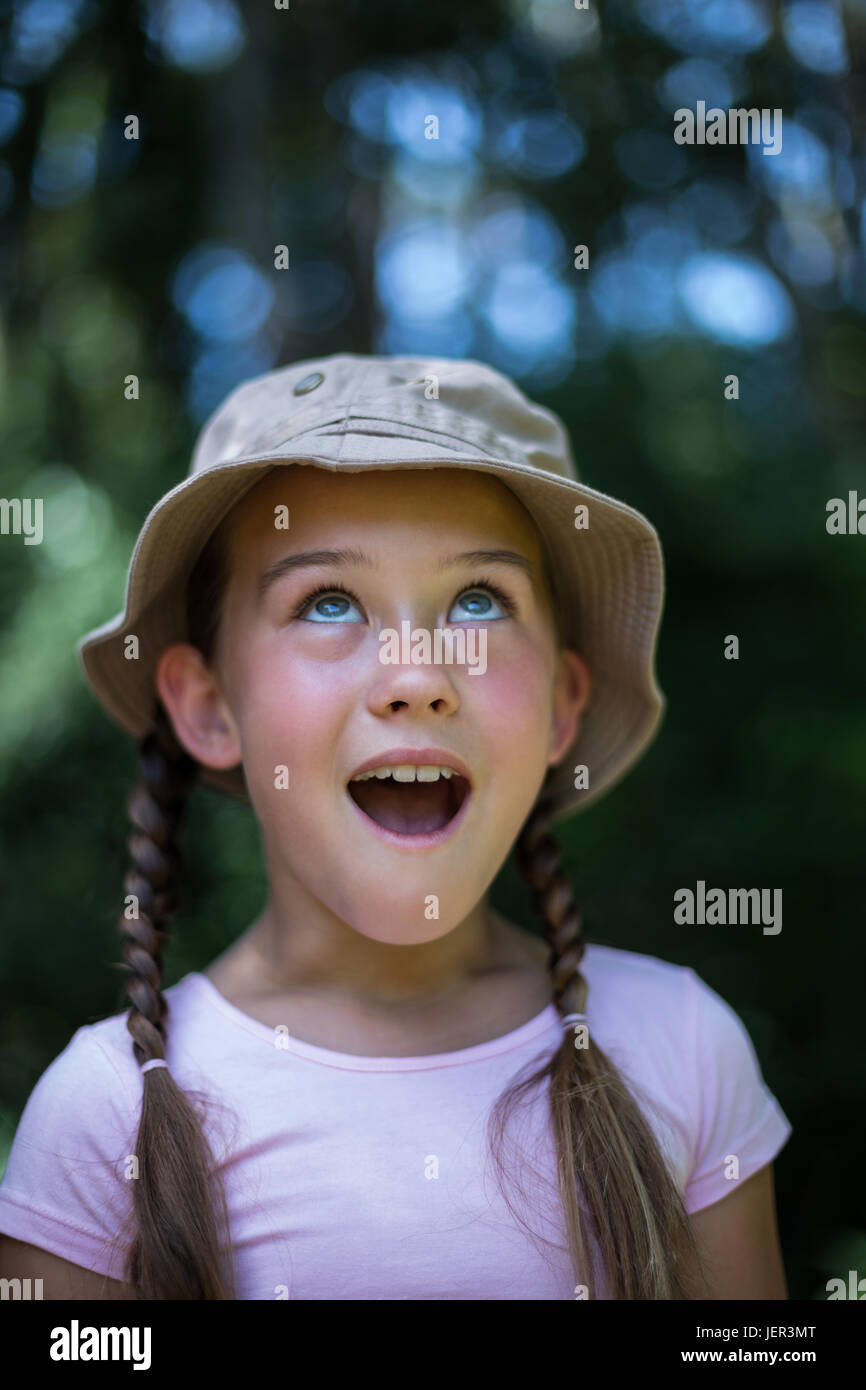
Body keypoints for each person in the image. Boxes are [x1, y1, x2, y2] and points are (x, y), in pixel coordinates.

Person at [0, 353, 792, 1299]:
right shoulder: (101, 1118)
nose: (418, 675)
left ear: (559, 707)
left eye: (478, 602)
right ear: (210, 708)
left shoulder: (684, 1049)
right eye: (327, 602)